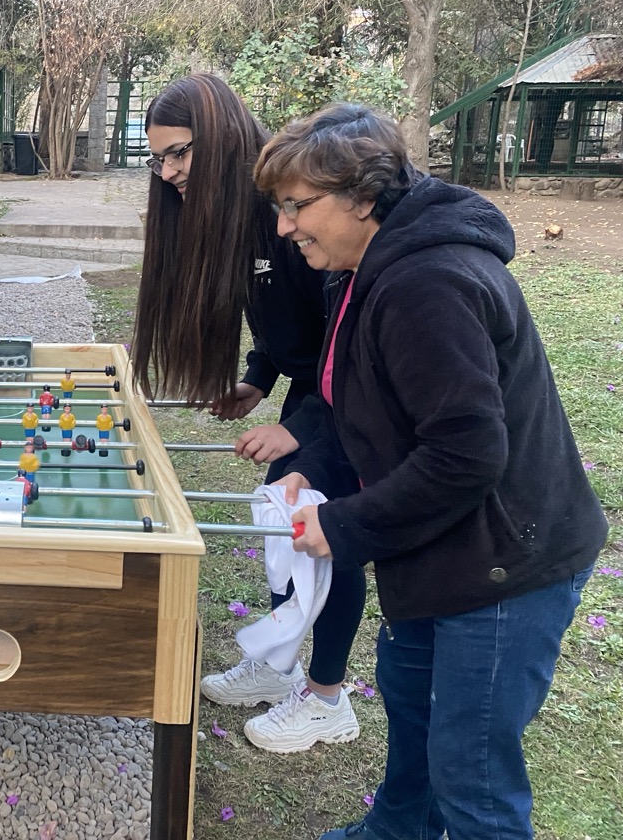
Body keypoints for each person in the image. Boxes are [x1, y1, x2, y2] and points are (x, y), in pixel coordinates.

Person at [255, 104, 606, 840]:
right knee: (413, 714)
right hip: (434, 549)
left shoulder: (427, 284)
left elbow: (466, 453)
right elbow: (356, 397)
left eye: (297, 205)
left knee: (471, 774)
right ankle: (397, 831)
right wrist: (309, 467)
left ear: (362, 196)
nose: (284, 227)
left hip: (505, 562)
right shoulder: (358, 269)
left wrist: (344, 525)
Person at [132, 74, 364, 754]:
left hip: (352, 393)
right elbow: (280, 320)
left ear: (224, 138)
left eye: (180, 152)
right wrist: (258, 379)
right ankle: (276, 663)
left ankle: (327, 699)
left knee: (325, 533)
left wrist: (299, 429)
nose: (168, 172)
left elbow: (349, 342)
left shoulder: (290, 215)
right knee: (282, 524)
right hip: (314, 384)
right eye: (158, 158)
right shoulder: (235, 213)